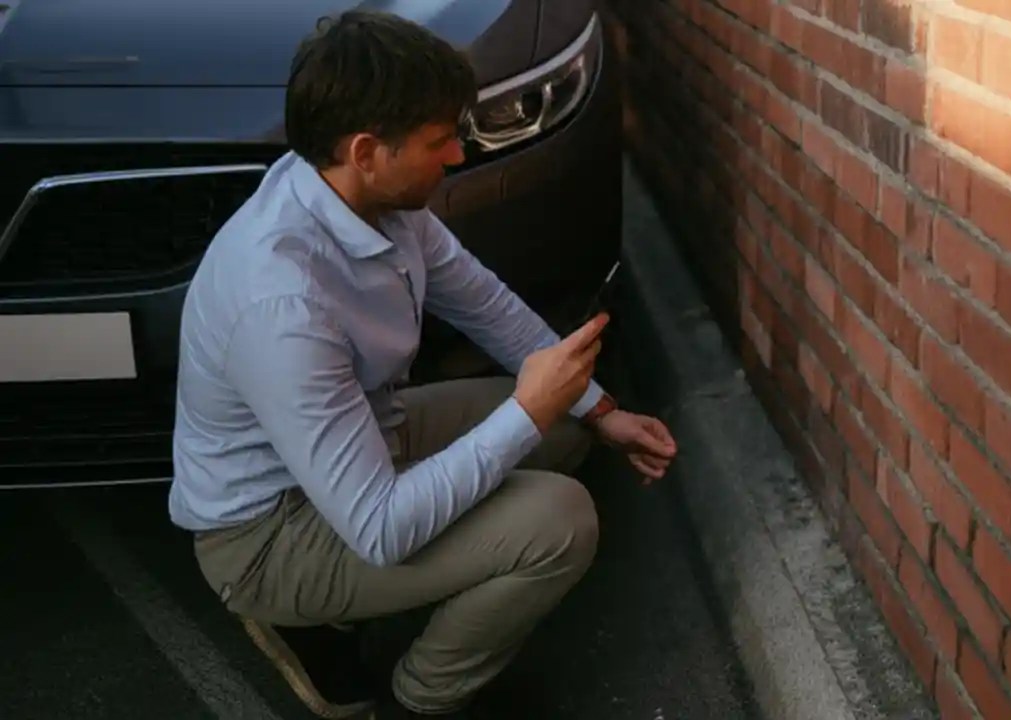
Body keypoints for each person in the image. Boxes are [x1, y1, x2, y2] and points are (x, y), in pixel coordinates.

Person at [166, 9, 678, 719]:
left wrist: (600, 410)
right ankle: (421, 699)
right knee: (560, 521)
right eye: (441, 141)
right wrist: (527, 411)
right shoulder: (281, 305)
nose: (457, 158)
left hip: (364, 445)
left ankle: (362, 612)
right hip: (270, 534)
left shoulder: (366, 197)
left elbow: (488, 306)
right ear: (368, 149)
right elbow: (379, 526)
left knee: (566, 429)